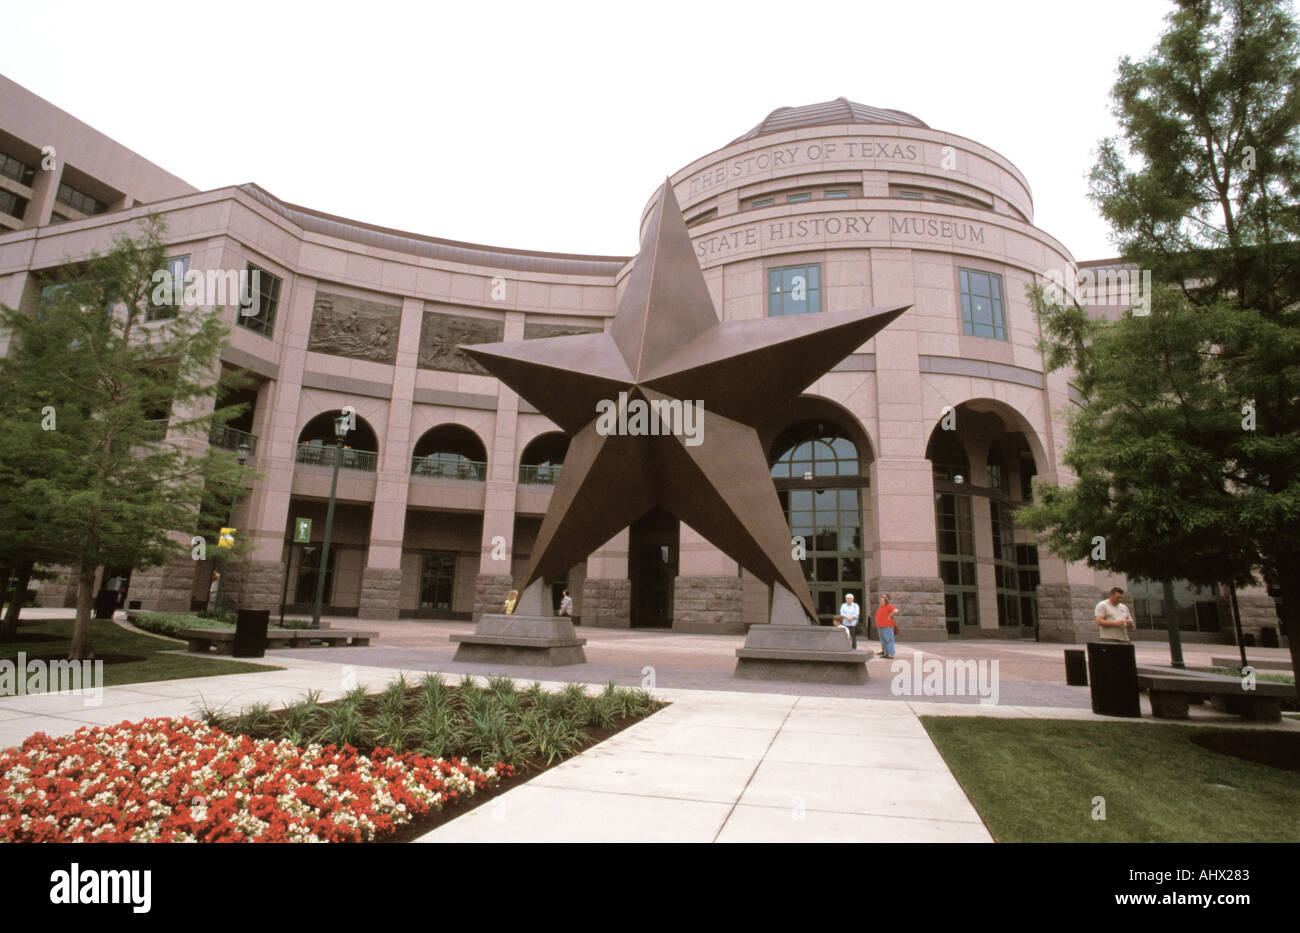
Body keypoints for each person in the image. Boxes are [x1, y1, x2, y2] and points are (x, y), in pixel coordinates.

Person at [875, 593, 898, 658]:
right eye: (880, 601)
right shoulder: (881, 607)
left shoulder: (888, 606)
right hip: (880, 626)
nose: (881, 602)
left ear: (886, 601)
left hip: (887, 626)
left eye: (882, 601)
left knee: (888, 640)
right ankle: (886, 653)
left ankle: (890, 653)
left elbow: (895, 610)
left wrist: (890, 615)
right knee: (883, 640)